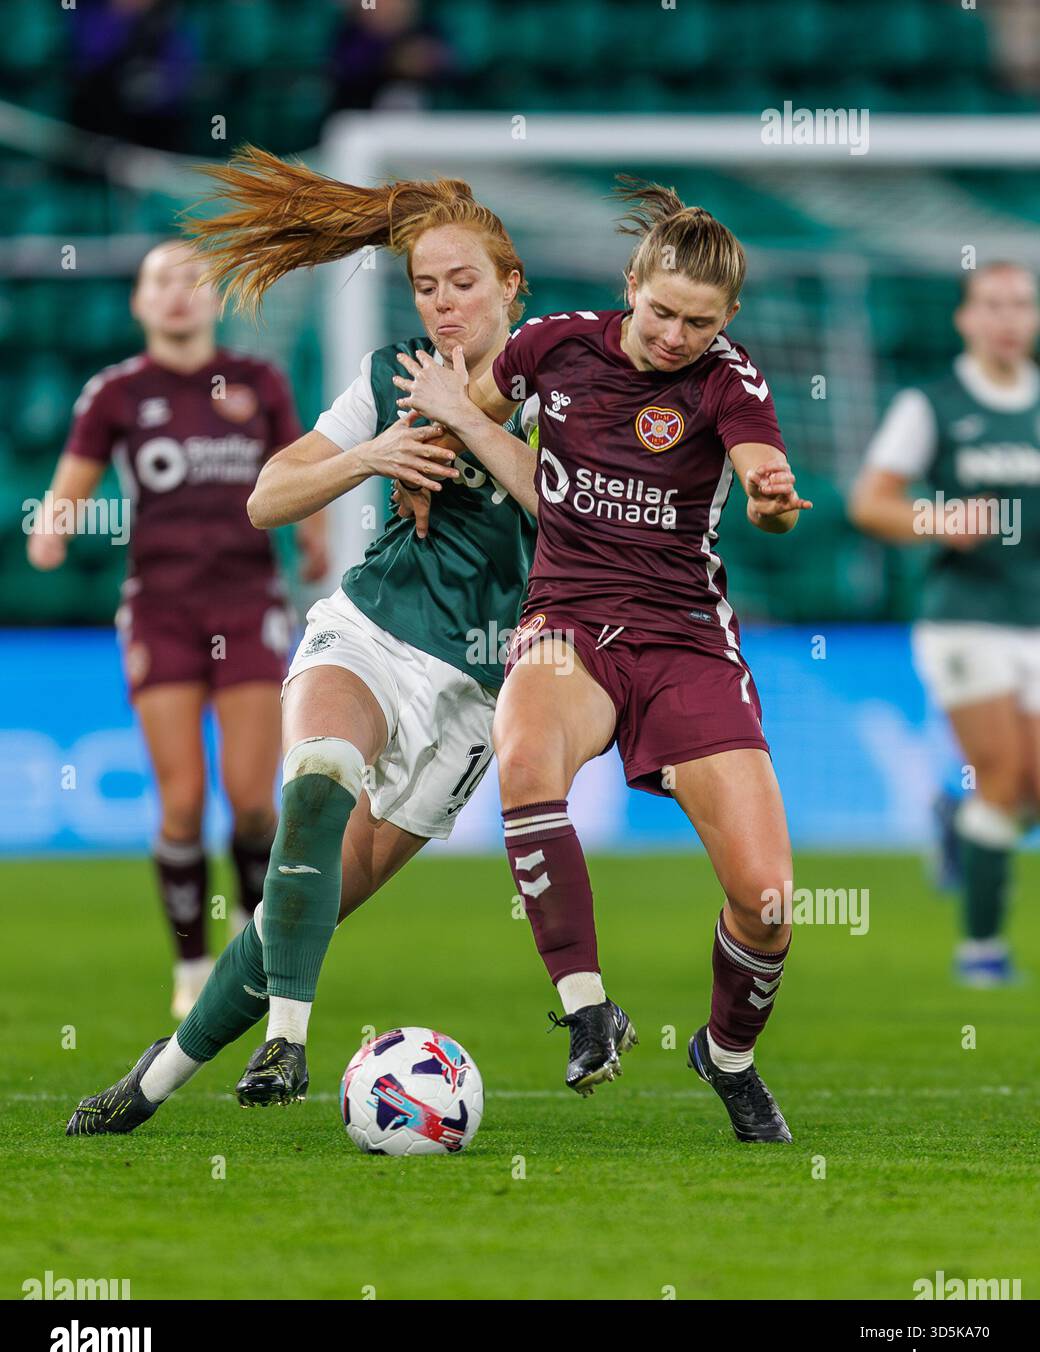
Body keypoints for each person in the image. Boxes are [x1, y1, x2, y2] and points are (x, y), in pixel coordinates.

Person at [65, 150, 538, 1136]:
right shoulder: (389, 375)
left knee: (303, 906)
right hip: (368, 629)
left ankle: (154, 1077)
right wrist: (372, 454)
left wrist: (466, 423)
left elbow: (571, 518)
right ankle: (287, 1035)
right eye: (425, 286)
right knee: (318, 776)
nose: (443, 305)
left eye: (462, 283)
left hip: (472, 688)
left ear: (511, 286)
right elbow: (267, 495)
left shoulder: (564, 388)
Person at [394, 178, 811, 1143]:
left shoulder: (730, 382)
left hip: (684, 638)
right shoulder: (554, 346)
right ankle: (588, 1010)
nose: (675, 336)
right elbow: (469, 417)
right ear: (632, 285)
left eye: (700, 323)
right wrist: (423, 451)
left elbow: (763, 479)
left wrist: (771, 498)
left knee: (767, 902)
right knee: (526, 759)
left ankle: (727, 1056)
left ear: (728, 318)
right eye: (661, 312)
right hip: (567, 618)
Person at [29, 239, 324, 1019]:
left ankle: (254, 954)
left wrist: (316, 539)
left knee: (254, 801)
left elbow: (301, 471)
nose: (178, 292)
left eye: (195, 279)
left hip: (248, 602)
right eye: (162, 280)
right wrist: (52, 528)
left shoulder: (259, 381)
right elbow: (69, 486)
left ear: (216, 300)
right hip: (161, 610)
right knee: (184, 802)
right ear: (139, 301)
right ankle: (192, 966)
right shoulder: (117, 392)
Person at [851, 262, 1040, 987]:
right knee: (1003, 780)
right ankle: (982, 953)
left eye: (1020, 304)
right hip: (965, 618)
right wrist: (938, 518)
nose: (1008, 319)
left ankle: (956, 821)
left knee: (1027, 793)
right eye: (992, 304)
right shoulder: (932, 403)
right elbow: (871, 502)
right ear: (965, 318)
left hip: (1031, 614)